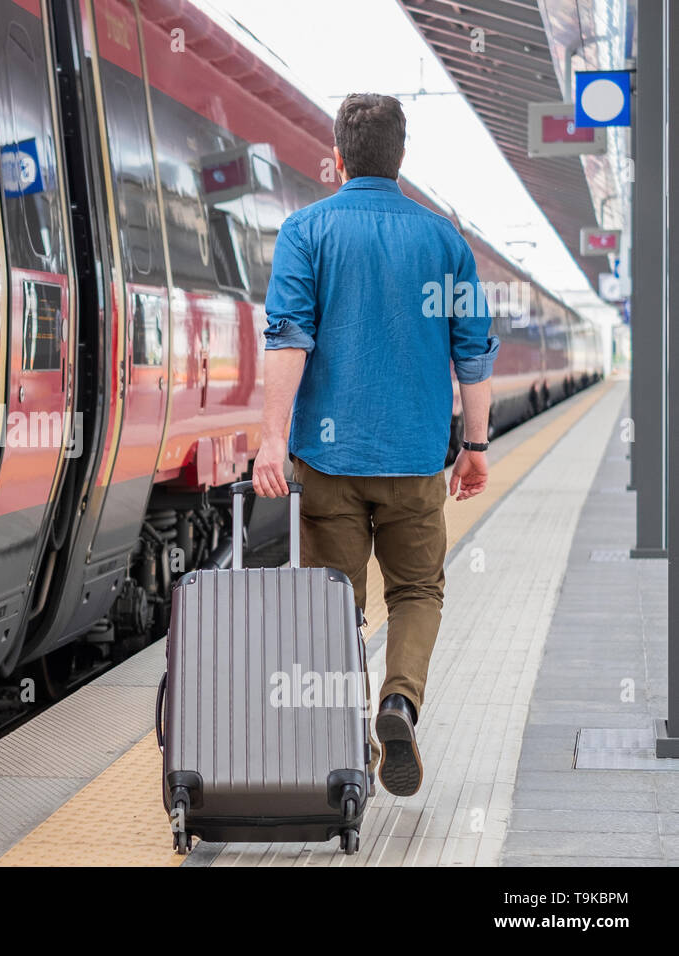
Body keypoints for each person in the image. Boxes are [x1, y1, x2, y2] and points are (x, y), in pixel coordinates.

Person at [250, 93, 499, 798]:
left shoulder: (306, 231)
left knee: (335, 605)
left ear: (337, 160)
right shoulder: (445, 241)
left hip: (329, 464)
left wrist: (273, 440)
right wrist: (474, 444)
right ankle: (400, 702)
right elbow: (473, 352)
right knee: (419, 589)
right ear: (401, 159)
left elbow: (289, 337)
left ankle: (346, 746)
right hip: (417, 459)